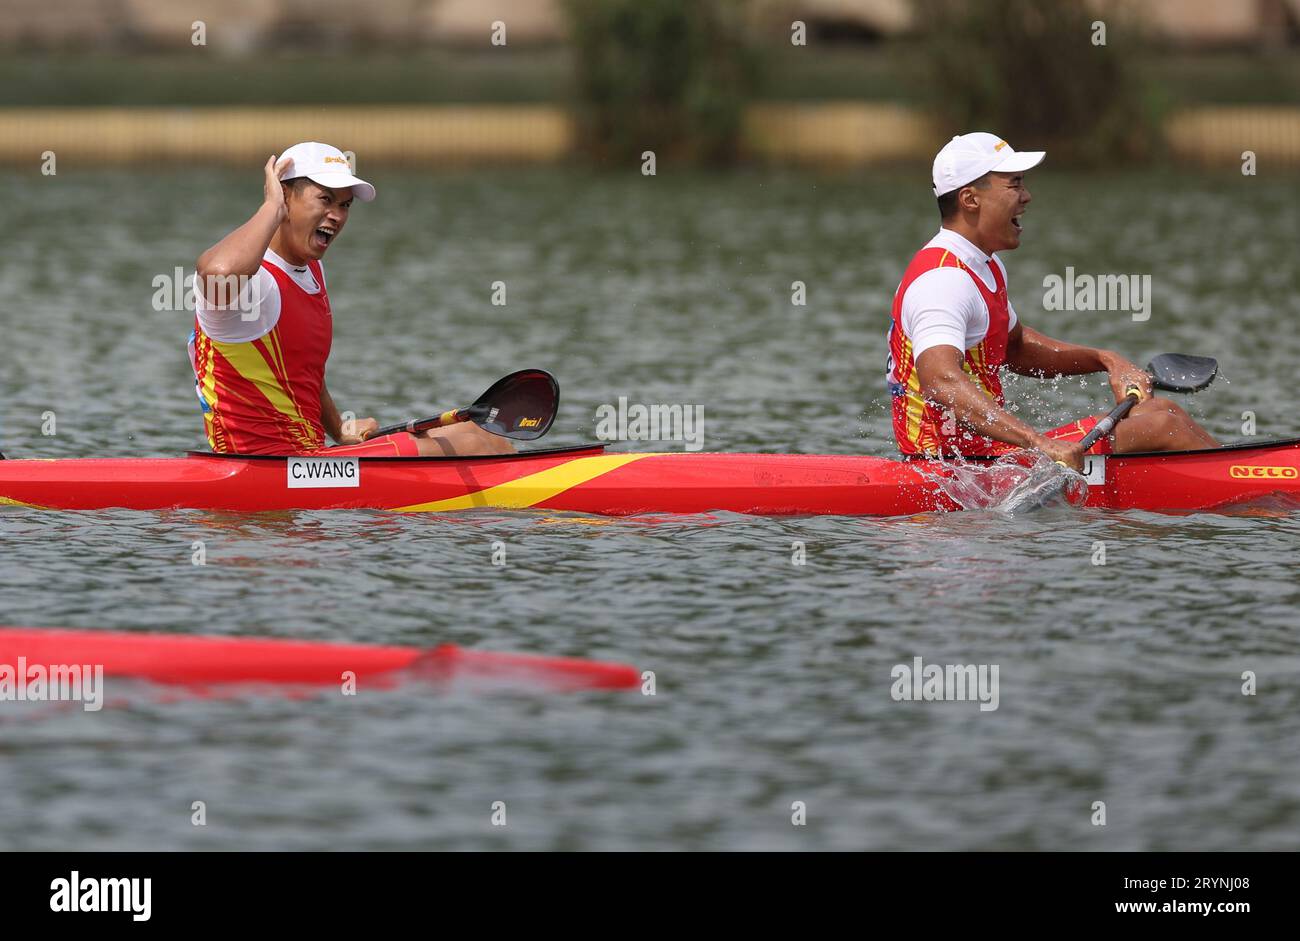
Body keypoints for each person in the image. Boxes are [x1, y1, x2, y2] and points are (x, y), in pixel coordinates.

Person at [887, 132, 1217, 468]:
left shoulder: (984, 265)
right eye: (1014, 185)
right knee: (1165, 426)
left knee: (1161, 411)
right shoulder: (944, 280)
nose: (1027, 196)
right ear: (970, 199)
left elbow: (1015, 349)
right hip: (950, 469)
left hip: (991, 455)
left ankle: (1248, 477)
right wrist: (1038, 442)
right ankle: (1257, 492)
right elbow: (940, 381)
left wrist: (1106, 360)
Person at [190, 141, 511, 457]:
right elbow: (217, 272)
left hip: (307, 464)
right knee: (473, 446)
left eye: (344, 205)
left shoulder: (312, 271)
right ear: (286, 198)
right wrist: (270, 207)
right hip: (256, 467)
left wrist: (339, 429)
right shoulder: (253, 286)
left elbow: (306, 373)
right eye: (325, 200)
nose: (337, 216)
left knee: (478, 433)